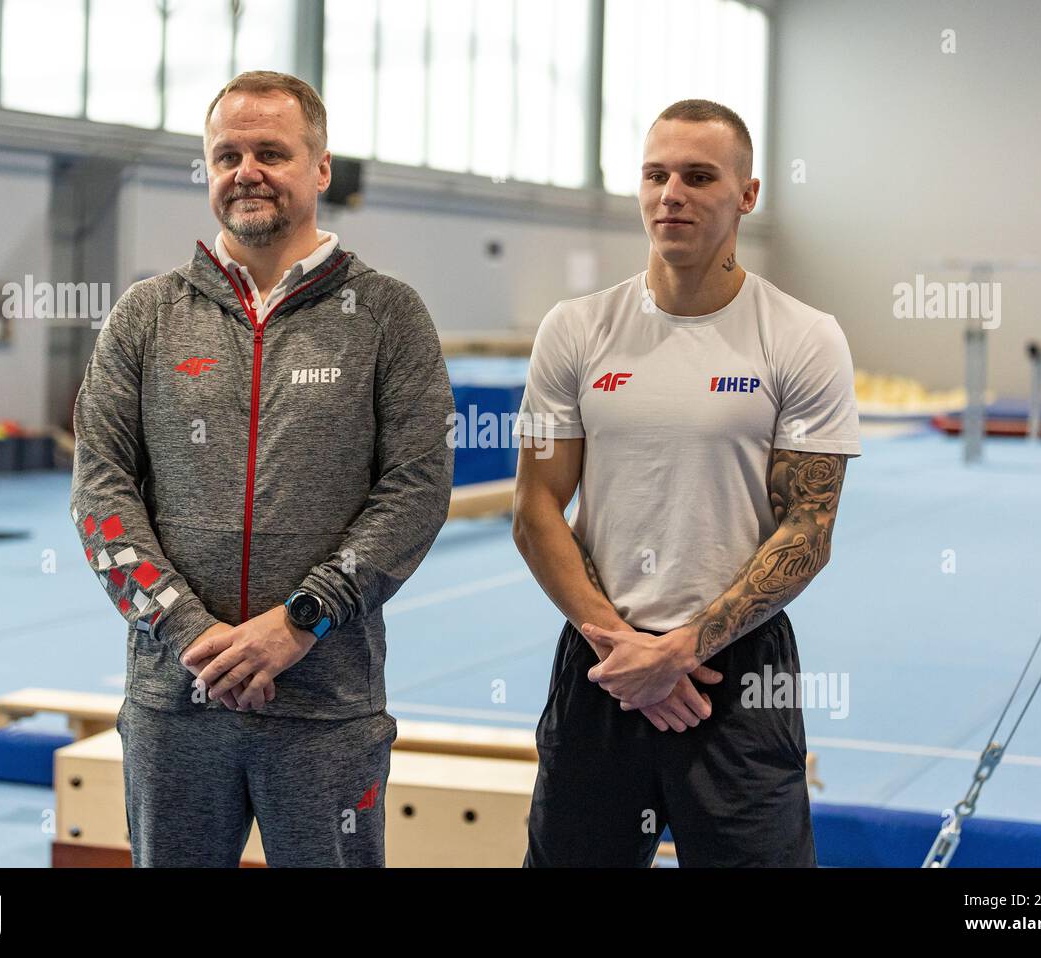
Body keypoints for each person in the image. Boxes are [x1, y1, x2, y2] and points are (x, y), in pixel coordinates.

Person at [69, 71, 454, 867]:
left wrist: (300, 622)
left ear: (320, 168)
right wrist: (188, 633)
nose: (246, 171)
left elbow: (416, 492)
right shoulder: (147, 315)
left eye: (271, 152)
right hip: (176, 701)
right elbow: (100, 488)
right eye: (227, 154)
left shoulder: (387, 316)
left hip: (326, 704)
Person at [512, 99, 861, 867]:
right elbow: (535, 506)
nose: (671, 192)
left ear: (747, 194)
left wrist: (680, 651)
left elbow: (809, 527)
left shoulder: (803, 336)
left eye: (699, 176)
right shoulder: (574, 329)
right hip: (601, 657)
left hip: (736, 674)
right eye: (655, 173)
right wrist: (627, 650)